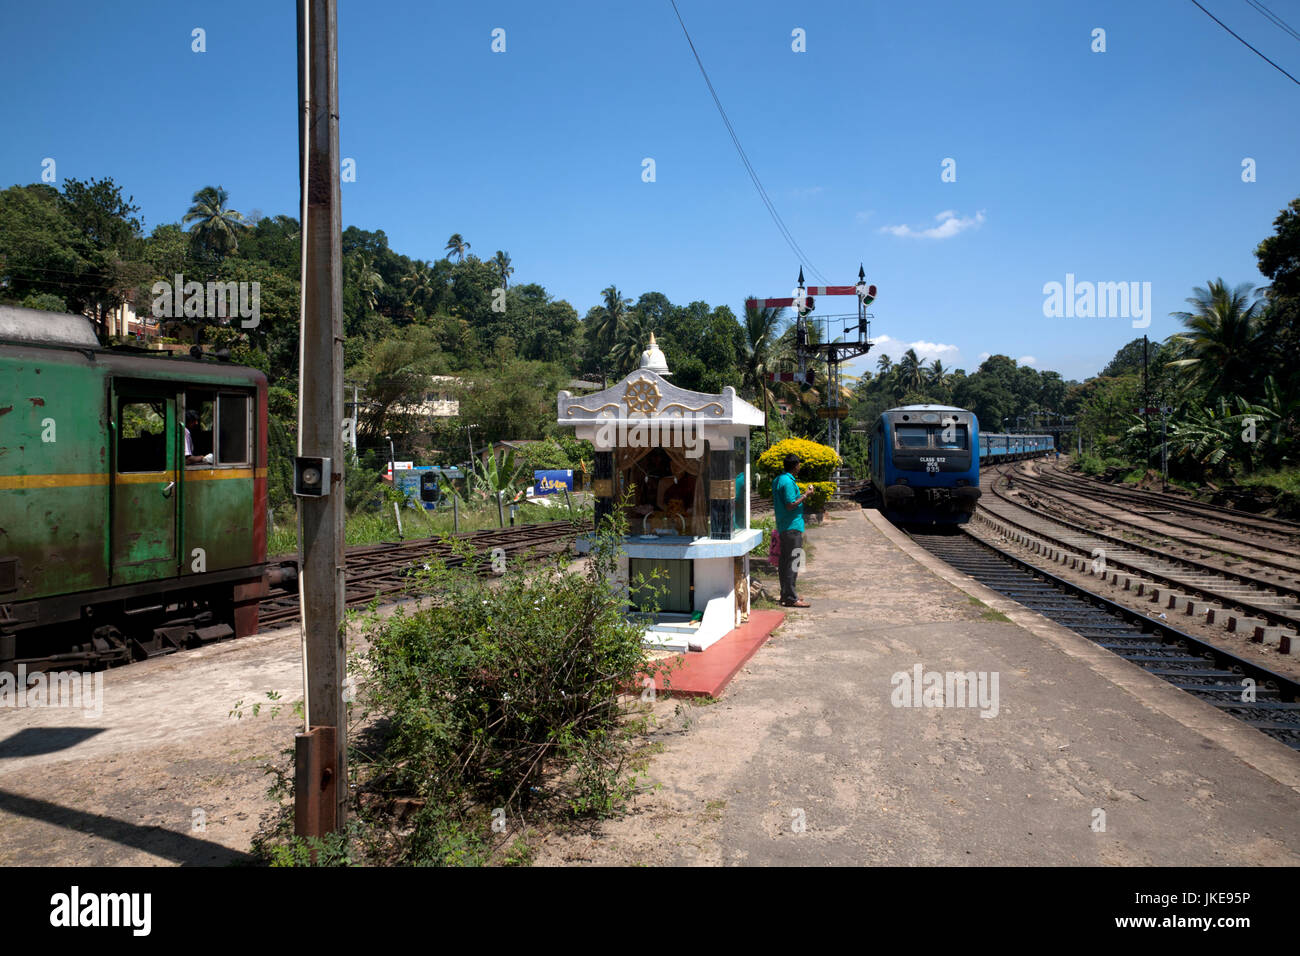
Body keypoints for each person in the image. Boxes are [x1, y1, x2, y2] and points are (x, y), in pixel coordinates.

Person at [772, 453, 810, 608]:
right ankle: (790, 598)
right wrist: (806, 495)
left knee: (785, 562)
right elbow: (790, 504)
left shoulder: (778, 480)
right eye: (799, 464)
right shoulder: (787, 482)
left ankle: (786, 594)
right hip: (792, 527)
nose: (800, 467)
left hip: (784, 526)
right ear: (795, 466)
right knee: (793, 562)